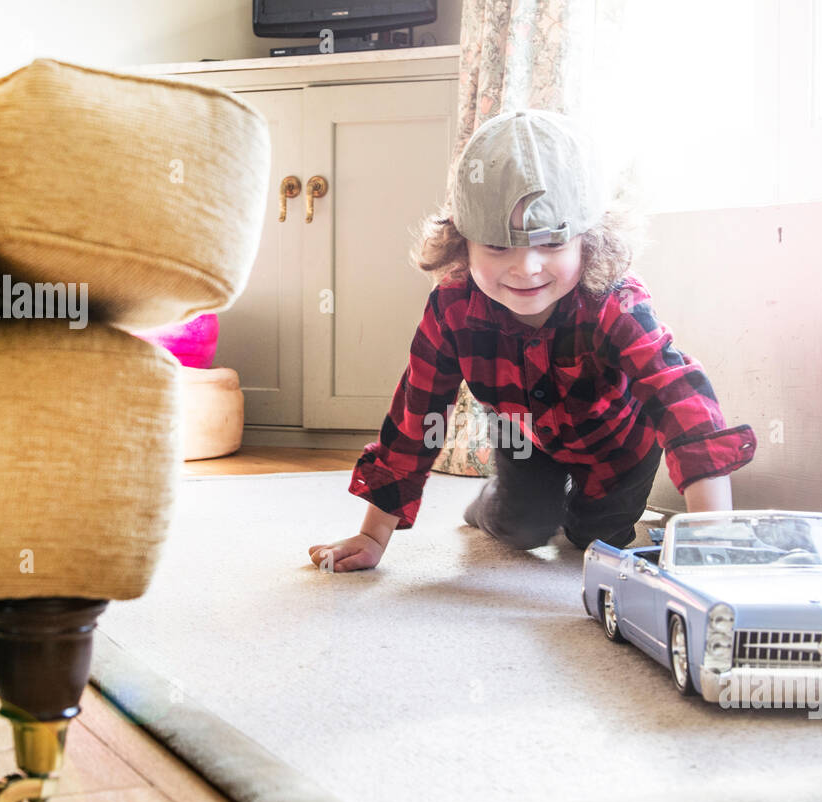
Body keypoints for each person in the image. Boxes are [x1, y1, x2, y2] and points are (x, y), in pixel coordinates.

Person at [307, 109, 756, 573]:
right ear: (463, 244)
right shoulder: (452, 309)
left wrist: (711, 539)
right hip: (524, 440)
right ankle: (488, 505)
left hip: (618, 449)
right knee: (521, 528)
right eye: (499, 247)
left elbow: (682, 402)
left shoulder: (615, 302)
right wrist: (372, 535)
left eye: (552, 244)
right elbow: (416, 416)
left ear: (589, 240)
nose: (527, 268)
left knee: (592, 540)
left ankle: (585, 518)